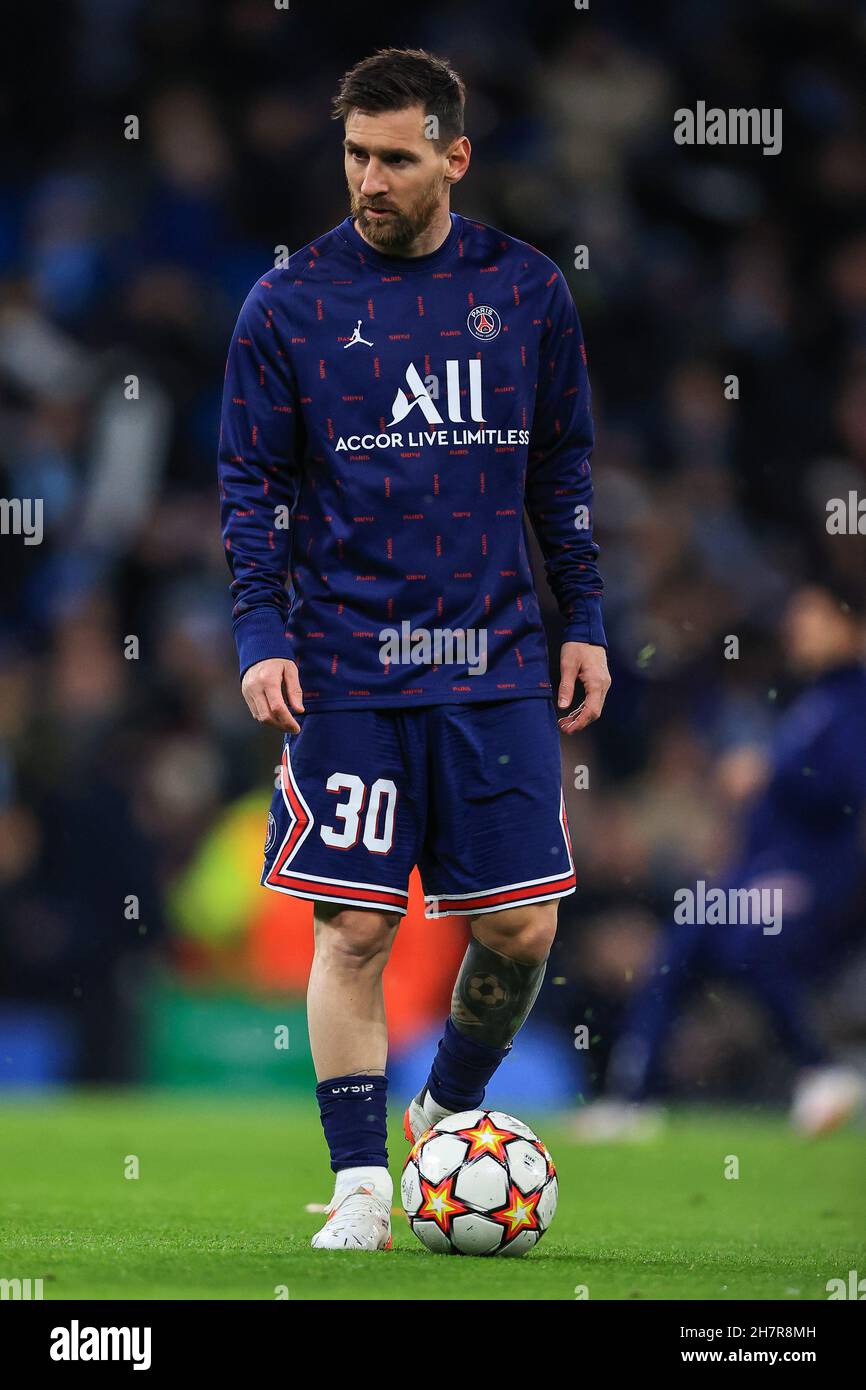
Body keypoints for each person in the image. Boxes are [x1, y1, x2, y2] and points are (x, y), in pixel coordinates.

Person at [217, 47, 610, 1249]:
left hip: (492, 658)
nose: (368, 180)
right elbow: (250, 485)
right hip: (343, 663)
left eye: (394, 157)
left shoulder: (528, 289)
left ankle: (444, 1107)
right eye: (354, 155)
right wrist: (259, 630)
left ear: (454, 155)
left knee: (520, 928)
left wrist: (583, 618)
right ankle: (358, 1185)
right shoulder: (288, 303)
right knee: (353, 927)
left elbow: (561, 473)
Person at [575, 584, 866, 1141]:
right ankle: (634, 1097)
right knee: (684, 942)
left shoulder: (851, 701)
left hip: (813, 875)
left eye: (812, 618)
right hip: (765, 869)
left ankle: (818, 1067)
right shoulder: (810, 701)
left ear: (849, 627)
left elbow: (846, 792)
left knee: (744, 940)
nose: (796, 630)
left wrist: (770, 772)